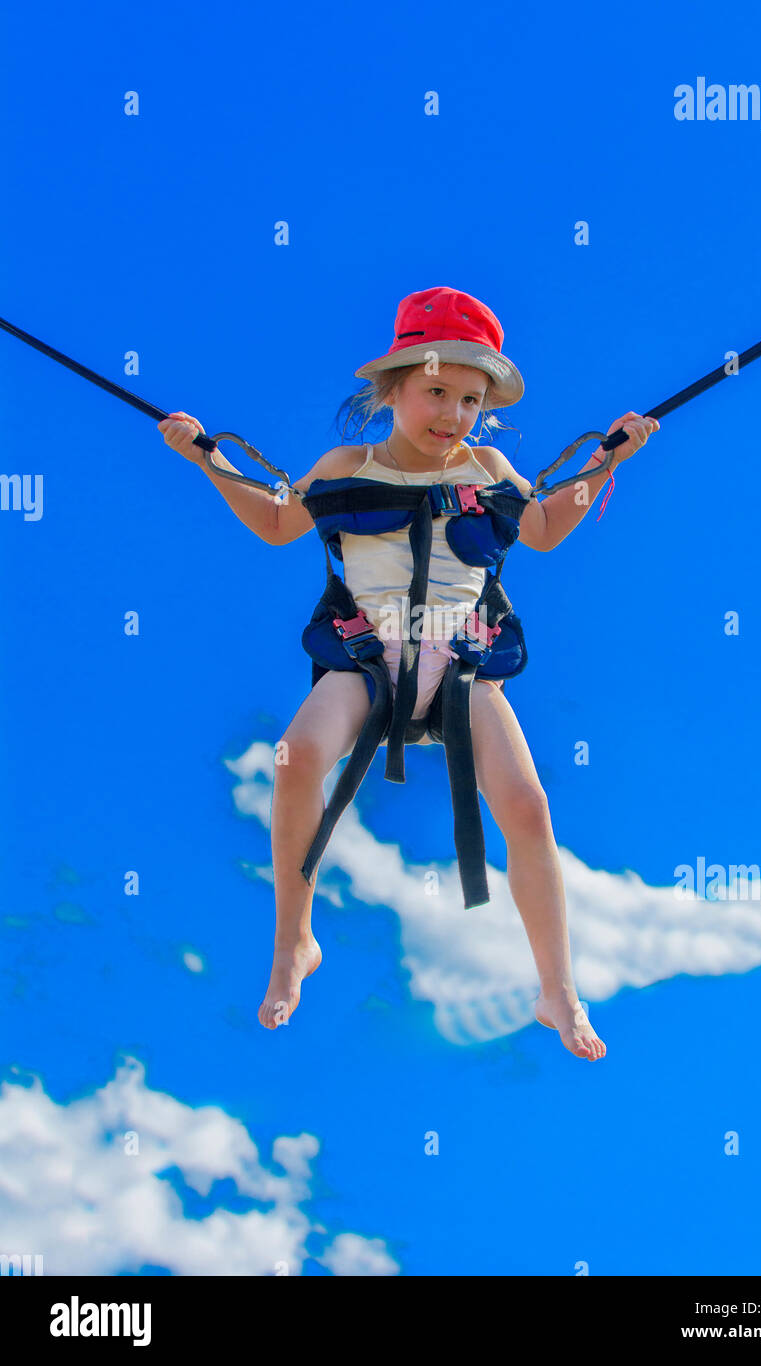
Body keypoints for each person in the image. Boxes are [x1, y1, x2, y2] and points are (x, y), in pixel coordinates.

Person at [158, 286, 659, 1060]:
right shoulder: (344, 464)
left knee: (527, 806)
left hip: (463, 671)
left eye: (470, 400)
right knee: (295, 762)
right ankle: (295, 939)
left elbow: (549, 527)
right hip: (368, 663)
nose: (453, 414)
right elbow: (274, 520)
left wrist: (610, 456)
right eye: (435, 392)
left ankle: (557, 988)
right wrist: (206, 457)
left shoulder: (489, 465)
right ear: (390, 389)